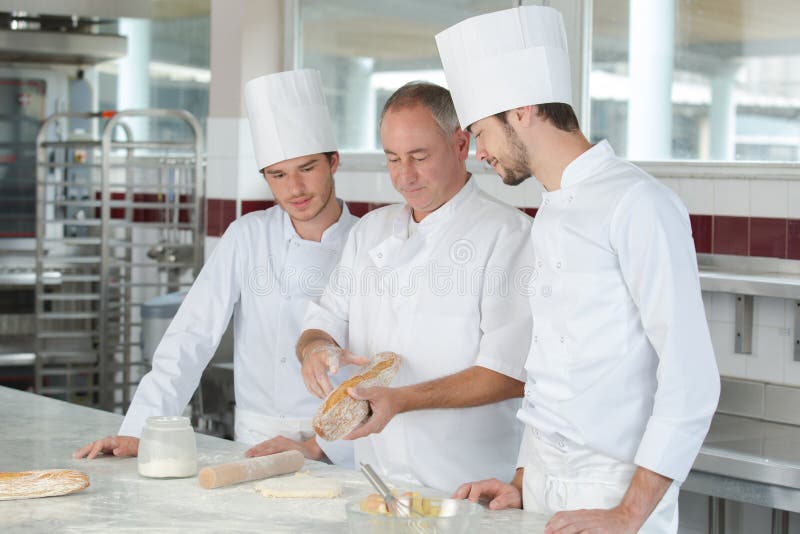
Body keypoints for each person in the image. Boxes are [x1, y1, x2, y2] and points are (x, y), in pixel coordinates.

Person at [436, 6, 720, 533]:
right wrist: (523, 480)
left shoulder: (639, 203)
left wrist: (630, 513)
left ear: (520, 111)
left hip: (617, 488)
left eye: (480, 132)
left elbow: (692, 377)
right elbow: (551, 365)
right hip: (545, 484)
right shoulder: (548, 210)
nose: (478, 152)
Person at [73, 69, 357, 467]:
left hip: (342, 442)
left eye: (307, 168)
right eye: (277, 175)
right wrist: (139, 430)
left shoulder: (368, 244)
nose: (294, 188)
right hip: (255, 440)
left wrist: (326, 445)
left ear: (333, 163)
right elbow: (191, 334)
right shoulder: (246, 236)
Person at [295, 81, 534, 493]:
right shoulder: (371, 231)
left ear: (461, 145)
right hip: (377, 485)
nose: (405, 176)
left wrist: (403, 399)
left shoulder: (510, 235)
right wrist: (315, 349)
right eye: (392, 159)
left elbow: (510, 374)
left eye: (419, 157)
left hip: (469, 490)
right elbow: (323, 320)